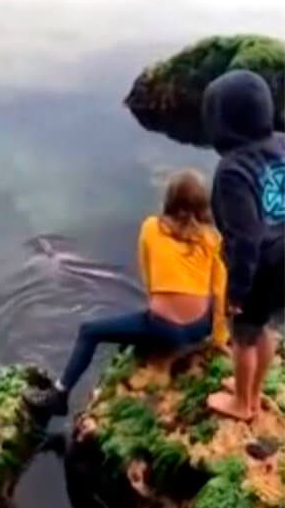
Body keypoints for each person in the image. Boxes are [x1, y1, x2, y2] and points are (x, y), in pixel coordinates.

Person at [24, 170, 229, 415]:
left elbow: (150, 279)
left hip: (165, 328)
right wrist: (218, 338)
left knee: (89, 331)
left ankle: (59, 395)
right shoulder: (212, 238)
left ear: (169, 200)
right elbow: (219, 291)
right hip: (199, 328)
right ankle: (165, 341)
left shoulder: (152, 228)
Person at [202, 70, 285, 422]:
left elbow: (246, 239)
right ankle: (252, 388)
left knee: (244, 337)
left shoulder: (233, 171)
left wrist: (236, 291)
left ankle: (243, 403)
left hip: (261, 268)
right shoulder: (282, 142)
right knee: (266, 328)